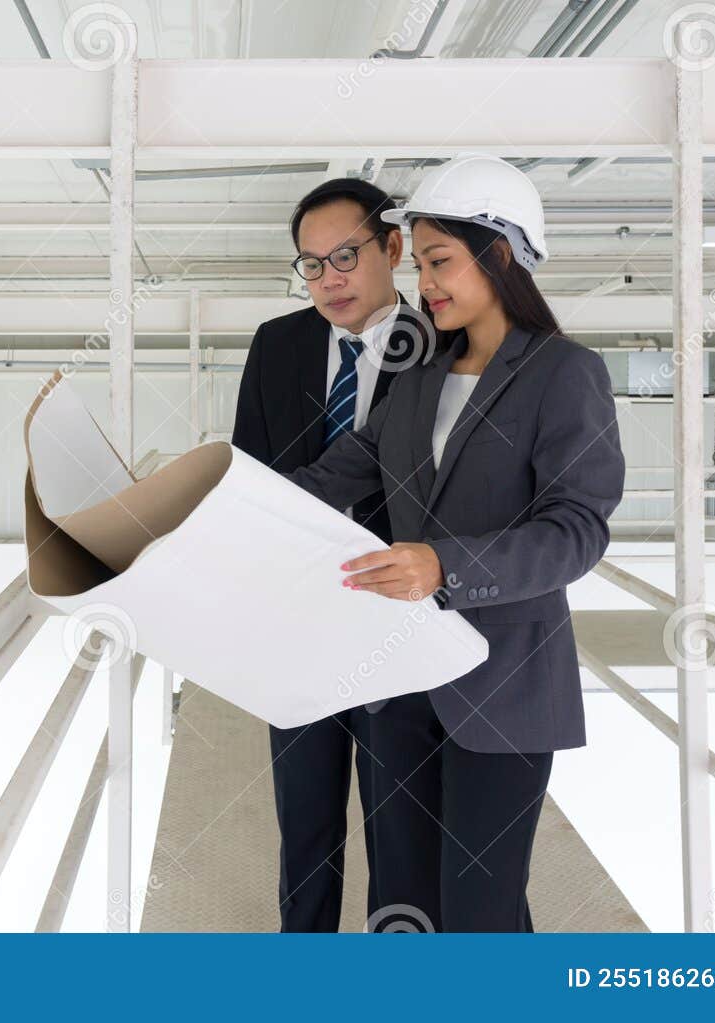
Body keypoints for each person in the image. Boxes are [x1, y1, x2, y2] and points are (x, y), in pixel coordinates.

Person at [283, 154, 626, 933]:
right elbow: (344, 470)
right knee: (408, 901)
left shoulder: (564, 374)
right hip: (403, 684)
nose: (425, 283)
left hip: (503, 690)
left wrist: (446, 566)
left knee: (482, 910)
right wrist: (220, 500)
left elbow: (577, 529)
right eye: (425, 263)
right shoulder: (423, 374)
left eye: (439, 262)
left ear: (499, 257)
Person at [232, 177, 423, 931]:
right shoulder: (278, 345)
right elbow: (252, 476)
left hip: (398, 624)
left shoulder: (448, 350)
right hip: (299, 624)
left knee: (400, 827)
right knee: (305, 826)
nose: (328, 278)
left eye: (344, 255)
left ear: (394, 248)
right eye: (310, 264)